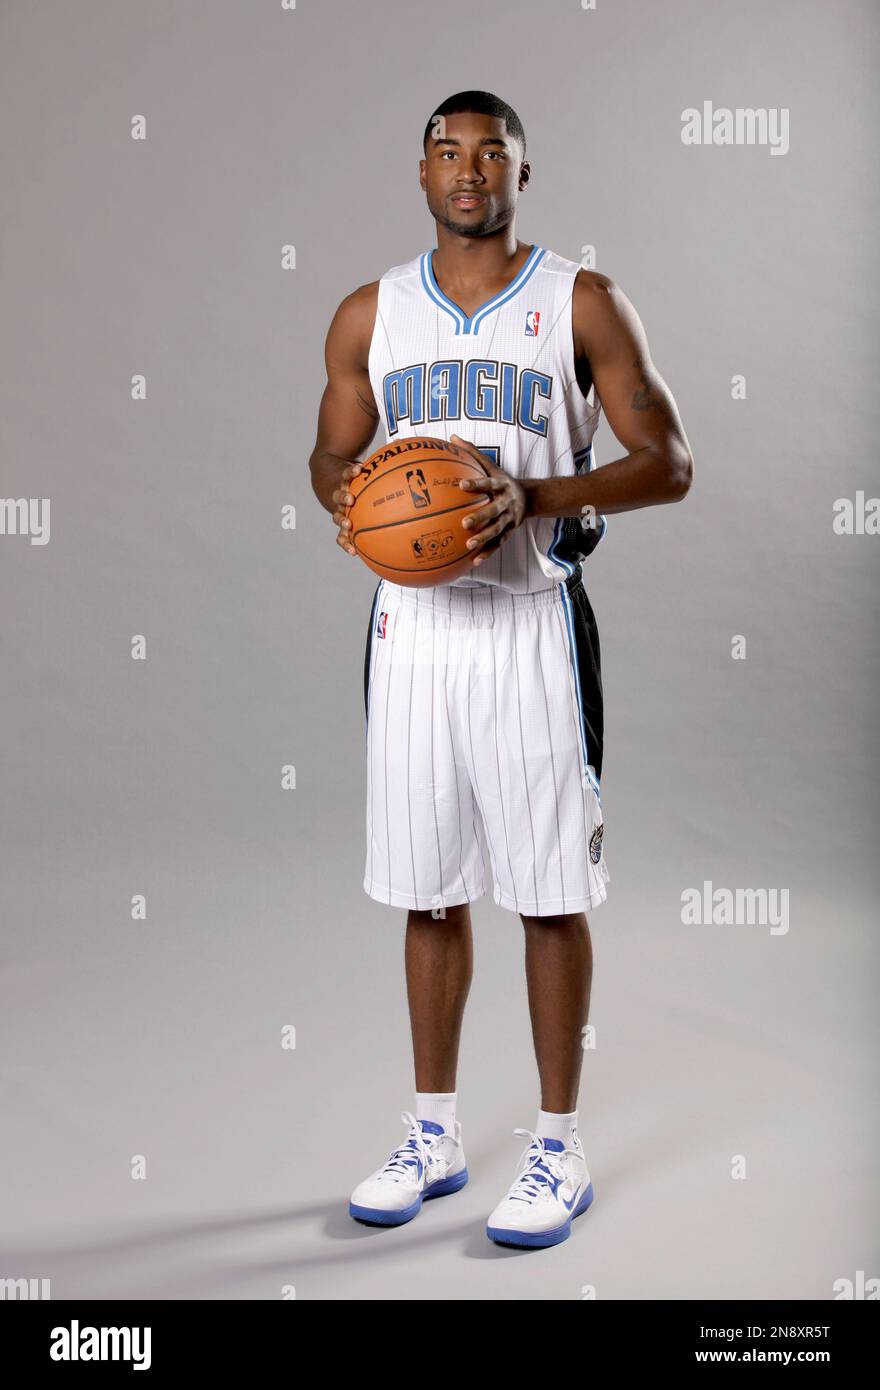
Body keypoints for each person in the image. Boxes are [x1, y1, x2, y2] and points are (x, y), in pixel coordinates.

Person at [309, 90, 693, 1249]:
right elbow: (330, 458)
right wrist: (371, 511)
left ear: (522, 174)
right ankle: (431, 1133)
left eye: (492, 154)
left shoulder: (579, 298)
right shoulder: (368, 312)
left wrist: (541, 496)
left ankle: (557, 1149)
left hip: (531, 622)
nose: (468, 170)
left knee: (546, 892)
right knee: (426, 887)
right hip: (414, 631)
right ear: (418, 173)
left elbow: (669, 461)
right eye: (446, 152)